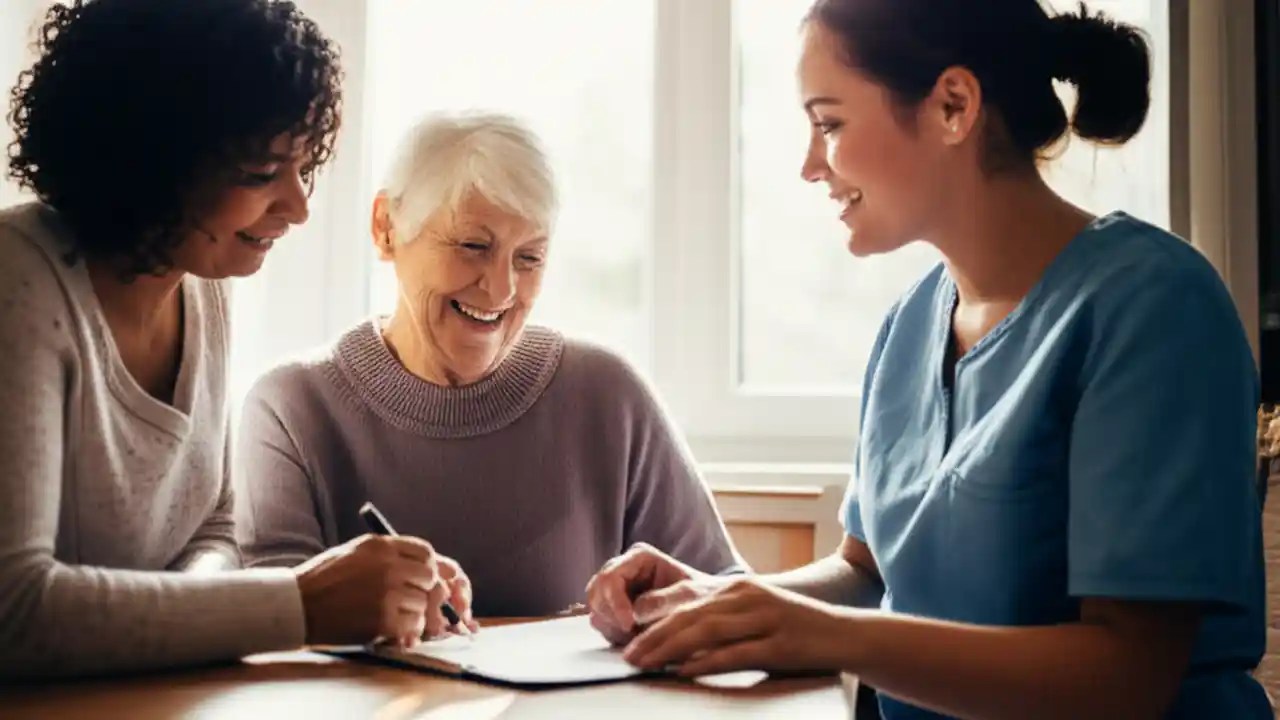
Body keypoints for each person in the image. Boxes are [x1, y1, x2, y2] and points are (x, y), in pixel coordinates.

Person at [584, 1, 1270, 718]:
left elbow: (1125, 678)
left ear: (952, 105)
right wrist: (714, 599)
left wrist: (822, 637)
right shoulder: (908, 327)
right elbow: (865, 575)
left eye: (830, 123)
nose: (809, 165)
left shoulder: (1155, 308)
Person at [0, 0, 450, 679]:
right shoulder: (19, 284)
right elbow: (15, 611)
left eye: (303, 168)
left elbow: (212, 523)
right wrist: (303, 603)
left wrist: (258, 604)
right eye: (260, 175)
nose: (298, 207)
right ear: (151, 161)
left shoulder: (206, 280)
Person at [233, 112, 740, 621]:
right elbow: (267, 625)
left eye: (529, 259)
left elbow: (727, 594)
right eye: (473, 246)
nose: (501, 290)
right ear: (386, 228)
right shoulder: (289, 408)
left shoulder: (609, 395)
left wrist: (661, 608)